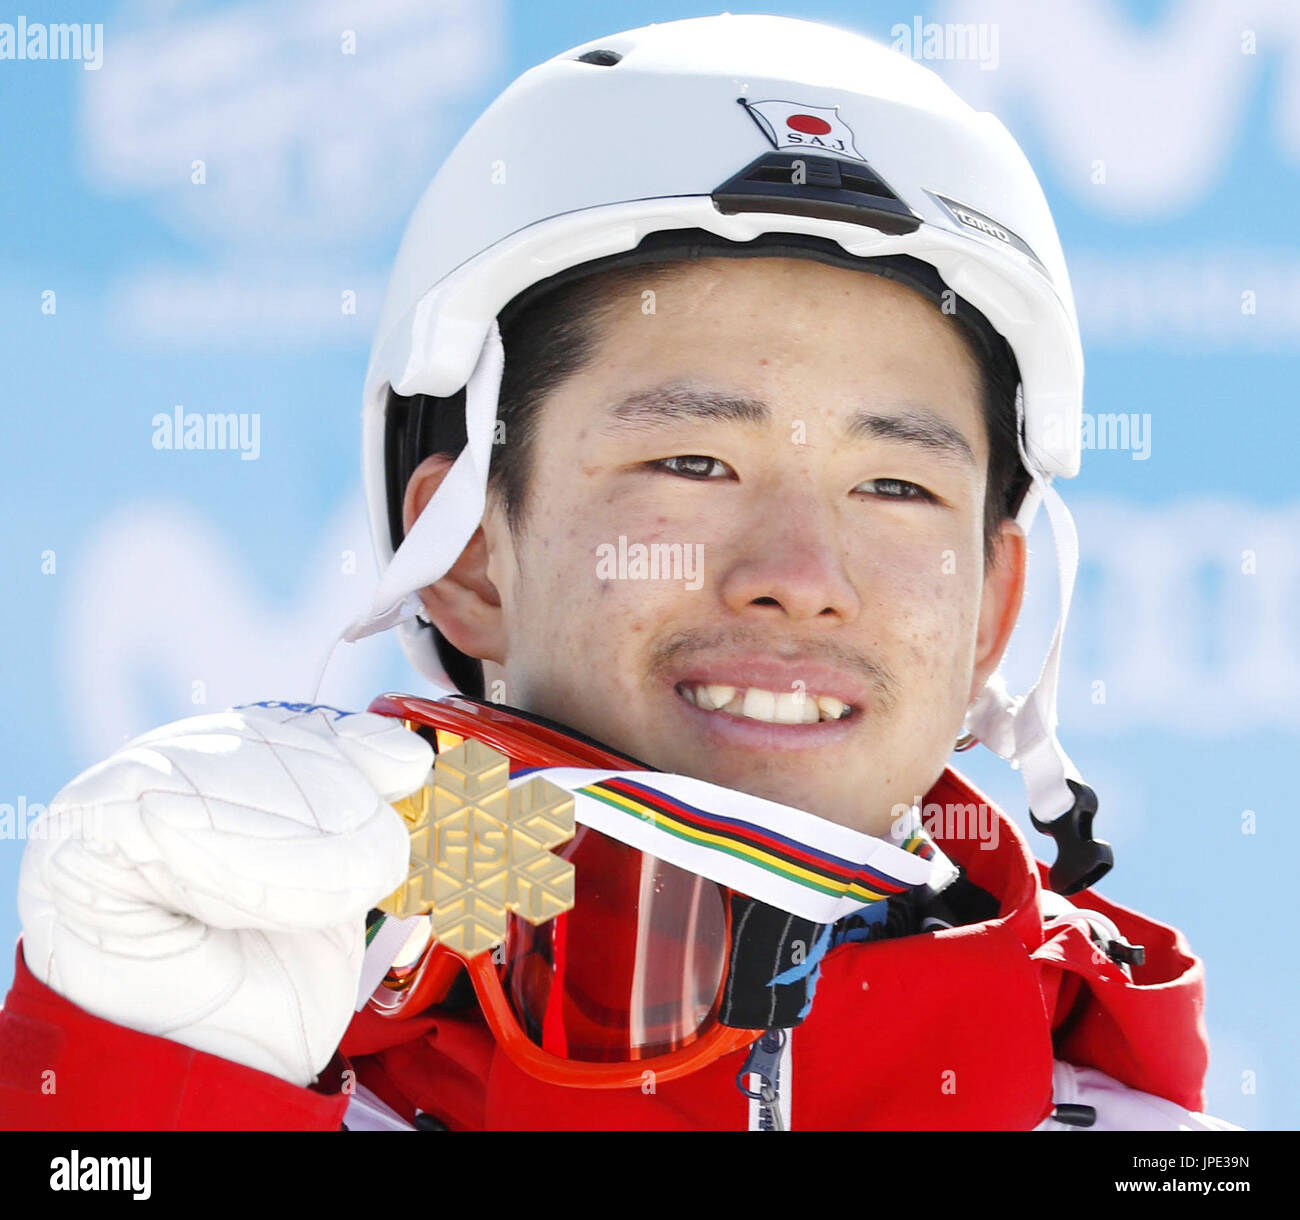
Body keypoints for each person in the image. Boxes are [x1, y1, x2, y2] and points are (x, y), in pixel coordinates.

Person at [0, 14, 1234, 1131]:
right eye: (693, 461)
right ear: (473, 553)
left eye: (894, 487)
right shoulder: (236, 1068)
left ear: (990, 611)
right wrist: (132, 1090)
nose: (800, 576)